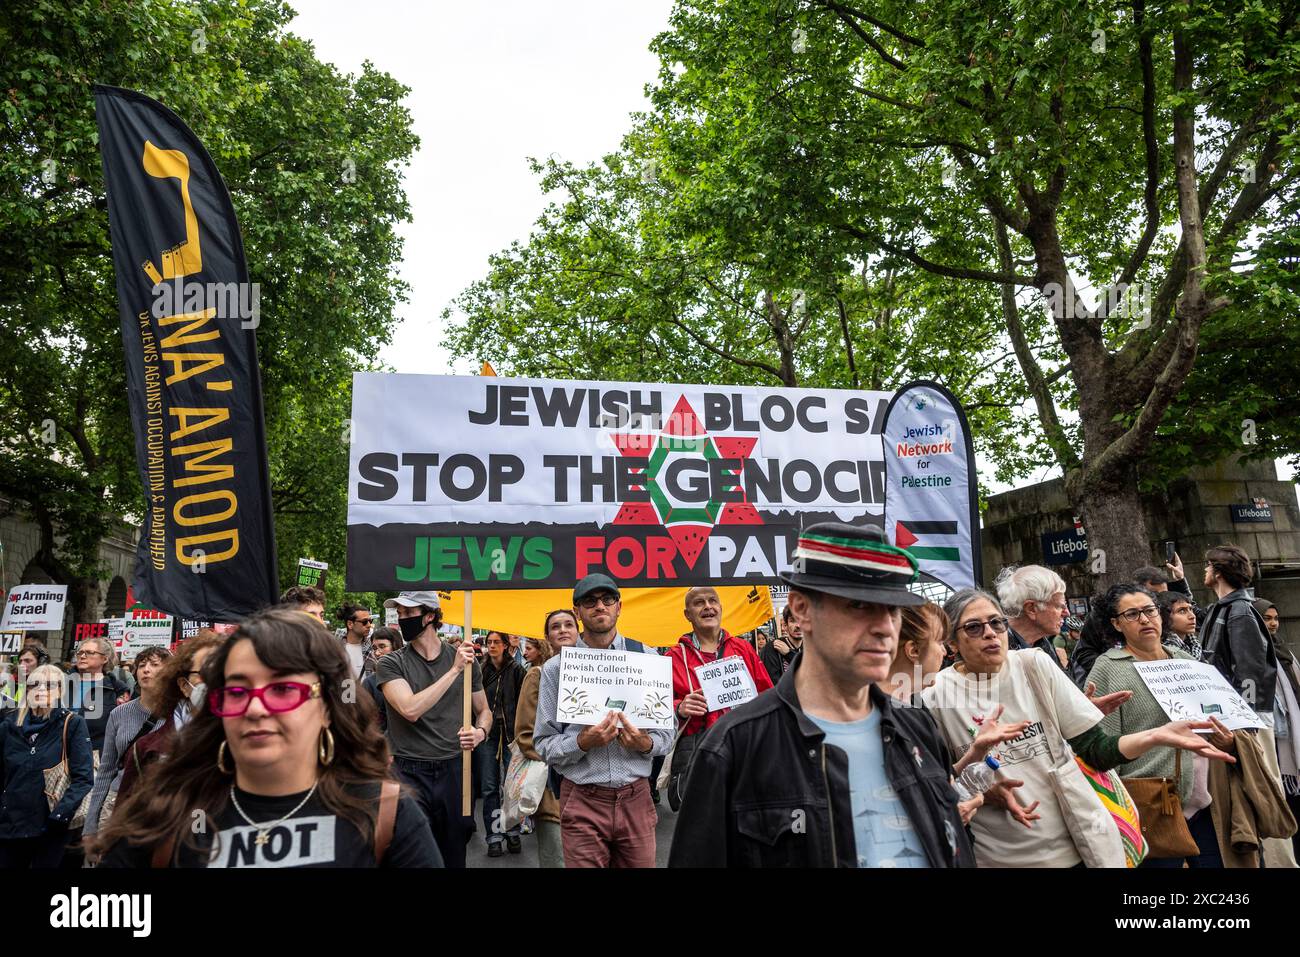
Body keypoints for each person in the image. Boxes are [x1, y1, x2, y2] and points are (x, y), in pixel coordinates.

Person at [671, 523, 983, 868]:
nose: (884, 627)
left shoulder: (918, 728)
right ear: (802, 609)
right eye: (859, 605)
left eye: (892, 609)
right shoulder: (733, 747)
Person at [96, 608, 440, 868]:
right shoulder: (167, 813)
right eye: (237, 690)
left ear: (326, 706)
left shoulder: (384, 813)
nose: (256, 708)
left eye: (282, 689)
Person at [923, 587, 1234, 868]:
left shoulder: (1034, 665)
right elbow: (938, 784)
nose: (990, 633)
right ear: (952, 641)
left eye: (997, 623)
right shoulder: (934, 697)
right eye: (974, 628)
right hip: (998, 856)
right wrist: (985, 790)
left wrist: (1153, 736)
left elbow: (1095, 750)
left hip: (1074, 846)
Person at [1087, 584, 1231, 867]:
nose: (1144, 619)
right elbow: (1102, 749)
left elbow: (1215, 717)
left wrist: (1226, 738)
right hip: (1149, 803)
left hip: (1203, 799)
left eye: (1150, 610)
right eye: (1132, 614)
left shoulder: (1185, 660)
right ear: (1116, 623)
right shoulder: (1107, 669)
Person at [534, 574, 672, 868]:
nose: (600, 606)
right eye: (590, 601)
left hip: (636, 796)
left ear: (619, 606)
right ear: (578, 611)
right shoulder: (556, 669)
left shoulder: (647, 658)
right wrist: (582, 742)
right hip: (583, 798)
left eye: (607, 599)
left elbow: (667, 734)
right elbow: (543, 744)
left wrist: (645, 743)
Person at [378, 591, 490, 869]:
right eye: (399, 614)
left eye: (408, 613)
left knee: (454, 848)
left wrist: (480, 733)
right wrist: (452, 671)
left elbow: (484, 711)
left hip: (455, 769)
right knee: (413, 852)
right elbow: (410, 710)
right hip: (408, 771)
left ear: (429, 616)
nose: (401, 619)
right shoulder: (392, 663)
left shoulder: (465, 660)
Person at [665, 586, 773, 811]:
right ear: (687, 615)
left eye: (712, 601)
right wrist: (679, 707)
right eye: (699, 603)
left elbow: (766, 694)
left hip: (744, 745)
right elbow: (657, 706)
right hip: (699, 749)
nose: (707, 606)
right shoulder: (674, 656)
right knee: (702, 821)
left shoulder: (743, 648)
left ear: (720, 608)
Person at [114, 632, 227, 808]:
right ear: (183, 685)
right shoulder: (146, 748)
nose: (217, 680)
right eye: (206, 671)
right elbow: (126, 817)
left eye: (225, 672)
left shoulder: (252, 741)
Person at [0, 664, 94, 868]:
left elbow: (84, 778)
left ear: (60, 690)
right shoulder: (9, 725)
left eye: (50, 685)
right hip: (10, 823)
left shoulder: (72, 723)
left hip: (51, 825)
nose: (41, 689)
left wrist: (59, 816)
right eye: (35, 684)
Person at [83, 645, 173, 852]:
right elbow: (106, 770)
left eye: (155, 665)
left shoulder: (180, 712)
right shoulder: (119, 714)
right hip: (118, 803)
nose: (146, 670)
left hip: (161, 807)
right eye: (141, 665)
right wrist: (90, 827)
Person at [515, 625, 563, 867]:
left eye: (570, 626)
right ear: (548, 638)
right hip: (552, 787)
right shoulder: (538, 675)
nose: (564, 632)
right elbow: (525, 734)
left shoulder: (596, 674)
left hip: (591, 795)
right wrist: (566, 753)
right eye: (556, 627)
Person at [1255, 598, 1300, 858]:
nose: (1272, 623)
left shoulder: (1283, 651)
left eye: (1275, 618)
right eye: (1266, 618)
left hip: (1293, 735)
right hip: (1274, 738)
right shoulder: (1254, 653)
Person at [479, 630, 525, 856]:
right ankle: (494, 837)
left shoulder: (517, 670)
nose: (492, 646)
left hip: (511, 735)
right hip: (487, 734)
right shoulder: (481, 669)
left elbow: (525, 703)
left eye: (497, 642)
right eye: (489, 642)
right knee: (489, 787)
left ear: (506, 645)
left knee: (511, 787)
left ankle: (513, 832)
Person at [994, 565, 1068, 669]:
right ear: (1031, 609)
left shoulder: (1041, 644)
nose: (1067, 613)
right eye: (1059, 606)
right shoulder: (995, 650)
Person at [362, 626, 403, 732]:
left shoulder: (411, 675)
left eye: (382, 646)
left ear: (395, 646)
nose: (377, 653)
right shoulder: (370, 683)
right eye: (374, 648)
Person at [760, 605, 803, 686]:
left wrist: (789, 654)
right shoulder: (772, 648)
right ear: (785, 626)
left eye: (802, 620)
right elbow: (773, 685)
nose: (798, 625)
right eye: (793, 620)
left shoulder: (812, 648)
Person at [337, 602, 375, 680]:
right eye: (364, 622)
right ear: (350, 624)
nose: (369, 625)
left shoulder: (373, 648)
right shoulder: (334, 648)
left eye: (370, 621)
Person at [1158, 589, 1201, 658]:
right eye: (1182, 611)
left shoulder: (1195, 646)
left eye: (1190, 609)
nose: (1192, 616)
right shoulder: (1163, 653)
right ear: (1164, 616)